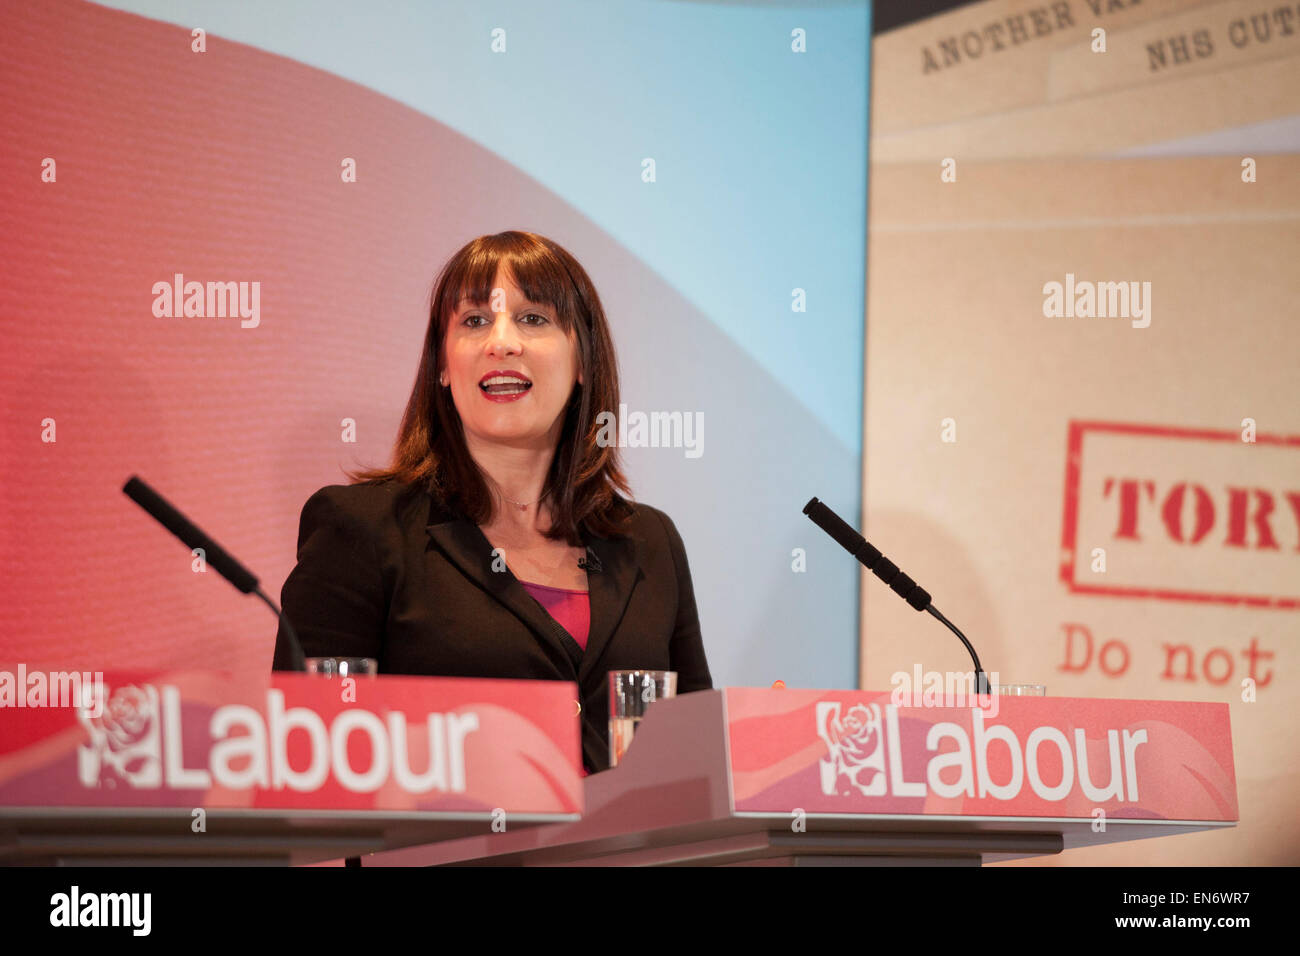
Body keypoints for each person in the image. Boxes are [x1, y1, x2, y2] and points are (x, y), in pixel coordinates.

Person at [271, 230, 712, 773]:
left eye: (534, 318)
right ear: (441, 364)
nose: (501, 342)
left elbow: (696, 760)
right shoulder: (361, 529)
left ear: (582, 364)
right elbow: (310, 757)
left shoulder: (650, 543)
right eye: (475, 320)